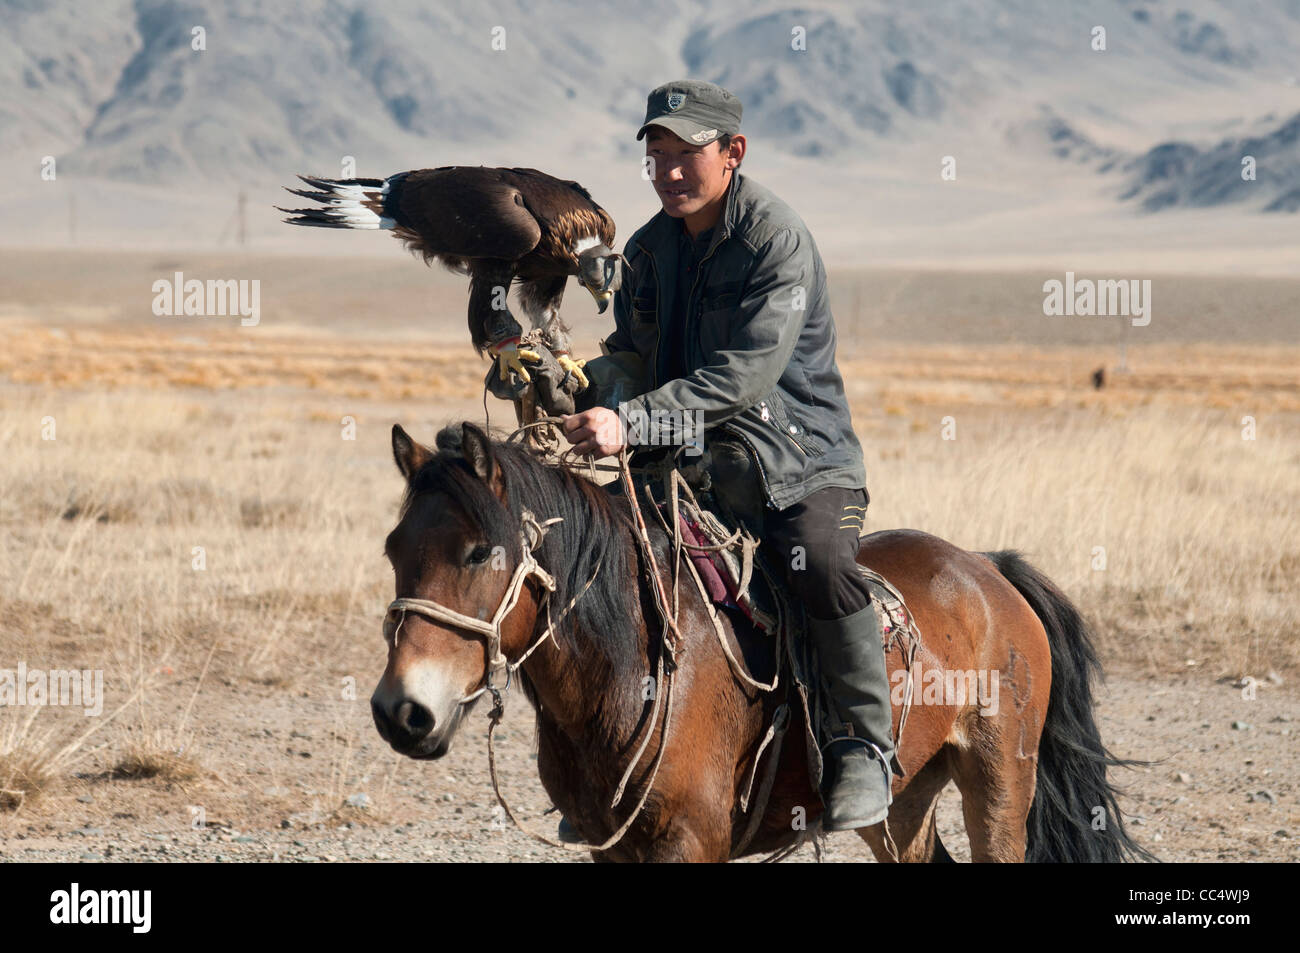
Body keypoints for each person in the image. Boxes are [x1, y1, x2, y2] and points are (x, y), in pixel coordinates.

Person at [556, 80, 898, 836]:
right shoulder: (645, 250)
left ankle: (863, 746)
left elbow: (744, 378)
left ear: (733, 153)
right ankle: (608, 765)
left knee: (817, 557)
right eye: (657, 158)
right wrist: (569, 387)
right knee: (595, 551)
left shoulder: (777, 241)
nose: (670, 173)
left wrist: (631, 422)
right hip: (685, 456)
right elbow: (633, 360)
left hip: (797, 458)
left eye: (687, 156)